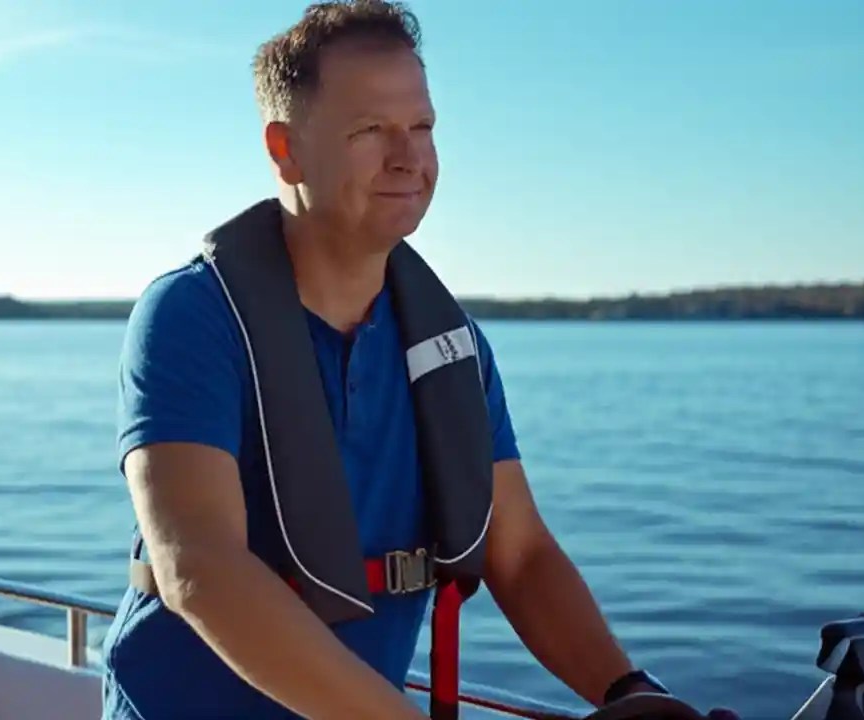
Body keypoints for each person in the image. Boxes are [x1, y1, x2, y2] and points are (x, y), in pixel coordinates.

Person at [100, 2, 739, 718]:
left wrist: (629, 691)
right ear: (285, 149)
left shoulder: (451, 346)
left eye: (423, 127)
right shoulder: (192, 317)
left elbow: (519, 554)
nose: (408, 156)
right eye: (372, 129)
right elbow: (200, 569)